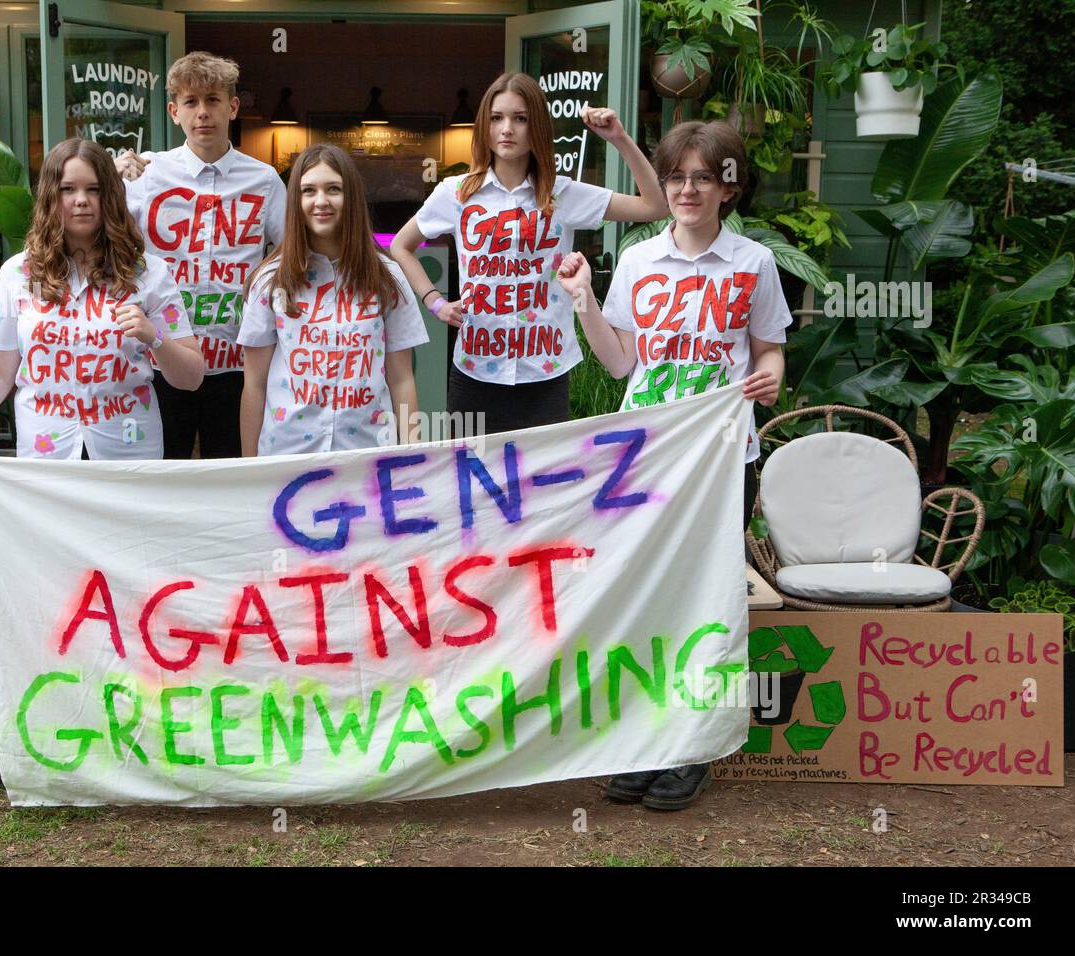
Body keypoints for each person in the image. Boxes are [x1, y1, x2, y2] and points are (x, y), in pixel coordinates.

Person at [557, 119, 791, 810]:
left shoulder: (755, 264)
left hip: (723, 460)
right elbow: (622, 362)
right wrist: (584, 303)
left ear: (729, 187)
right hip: (651, 457)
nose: (688, 189)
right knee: (649, 592)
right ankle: (646, 741)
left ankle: (692, 746)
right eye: (677, 177)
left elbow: (769, 350)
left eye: (704, 176)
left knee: (711, 599)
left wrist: (771, 375)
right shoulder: (637, 260)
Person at [389, 71, 668, 434]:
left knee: (542, 488)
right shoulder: (455, 193)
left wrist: (619, 139)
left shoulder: (561, 194)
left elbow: (655, 206)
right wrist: (435, 302)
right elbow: (401, 245)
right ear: (483, 126)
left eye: (520, 118)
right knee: (475, 483)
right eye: (496, 118)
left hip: (545, 374)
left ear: (535, 125)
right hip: (476, 372)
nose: (507, 128)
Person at [0, 138, 203, 466]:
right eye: (68, 189)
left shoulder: (150, 274)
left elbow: (191, 377)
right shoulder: (17, 275)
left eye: (93, 189)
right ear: (51, 196)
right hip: (45, 457)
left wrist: (155, 337)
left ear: (110, 196)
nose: (81, 200)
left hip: (128, 453)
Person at [114, 53, 287, 459]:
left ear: (233, 106)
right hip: (162, 357)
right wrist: (113, 182)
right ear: (175, 111)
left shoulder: (263, 180)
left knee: (227, 473)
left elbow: (289, 251)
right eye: (191, 102)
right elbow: (111, 244)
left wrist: (266, 291)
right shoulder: (147, 174)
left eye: (213, 99)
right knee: (162, 471)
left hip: (235, 361)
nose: (203, 112)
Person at [238, 143, 429, 456]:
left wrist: (411, 457)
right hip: (287, 454)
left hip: (367, 454)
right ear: (295, 201)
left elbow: (401, 379)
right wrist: (248, 467)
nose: (321, 201)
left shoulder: (387, 277)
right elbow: (254, 385)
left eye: (333, 189)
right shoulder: (270, 280)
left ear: (351, 197)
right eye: (308, 190)